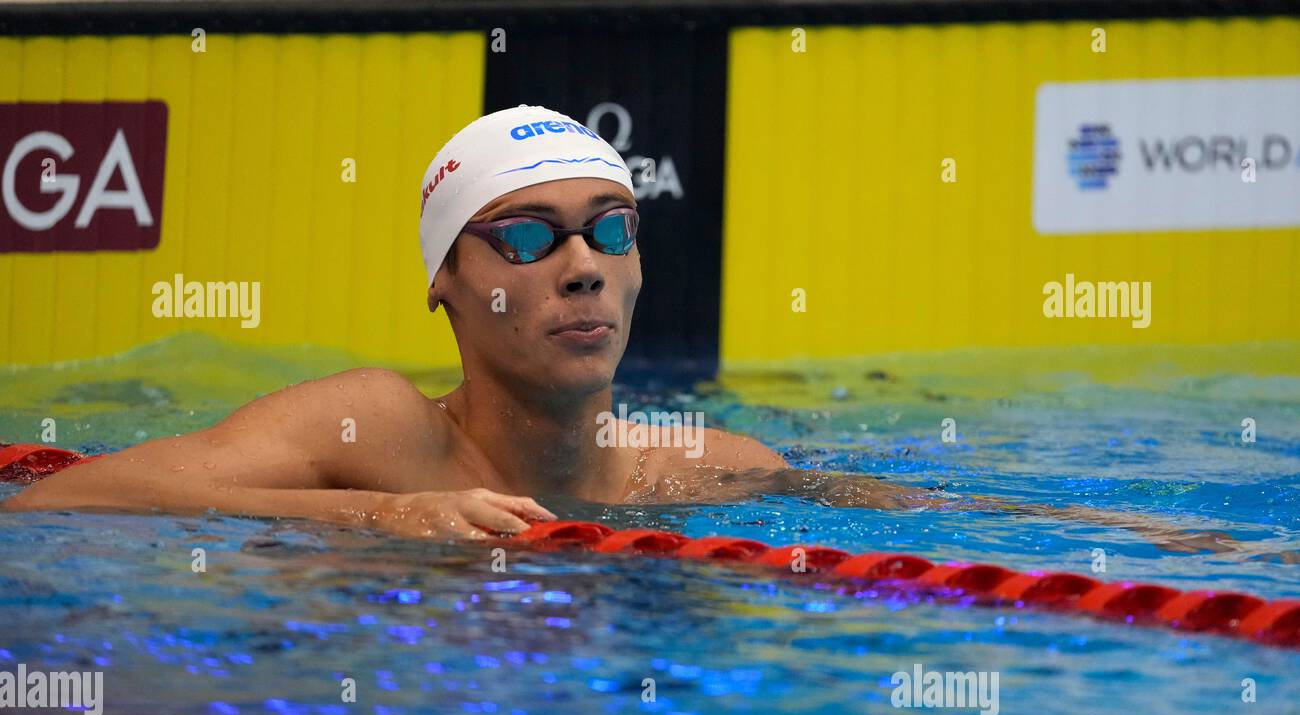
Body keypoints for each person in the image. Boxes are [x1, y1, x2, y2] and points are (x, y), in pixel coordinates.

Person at [0, 105, 1266, 557]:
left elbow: (922, 510)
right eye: (529, 237)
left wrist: (1148, 537)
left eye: (610, 231)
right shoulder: (377, 426)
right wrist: (372, 517)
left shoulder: (688, 464)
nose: (580, 269)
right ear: (442, 283)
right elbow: (59, 508)